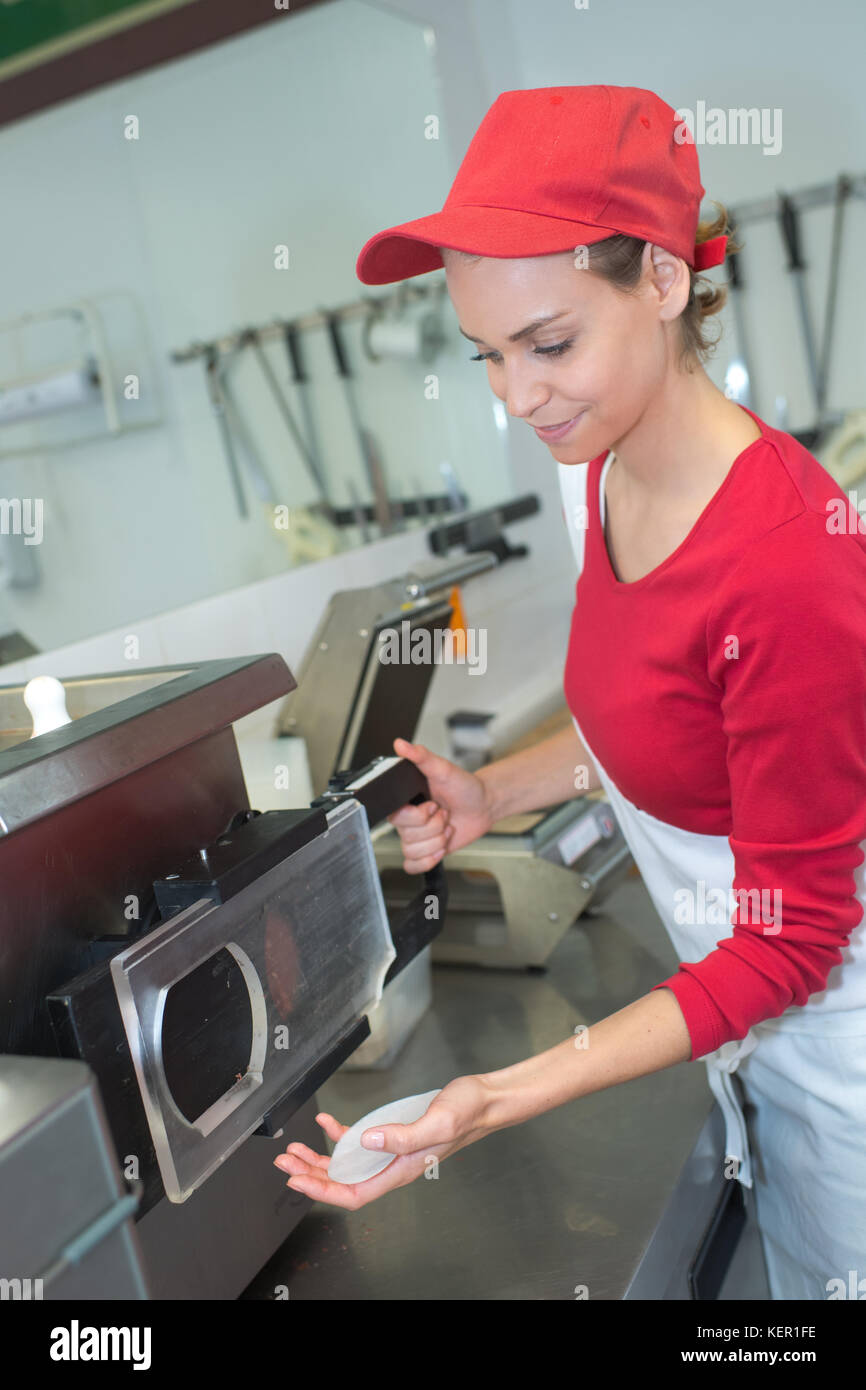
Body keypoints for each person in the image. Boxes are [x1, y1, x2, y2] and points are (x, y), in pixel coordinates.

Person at [274, 85, 866, 1300]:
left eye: (549, 343)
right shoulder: (597, 478)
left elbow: (792, 939)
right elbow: (663, 716)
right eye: (487, 353)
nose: (517, 395)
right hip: (761, 1053)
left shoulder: (785, 560)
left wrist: (493, 1095)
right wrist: (494, 787)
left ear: (658, 281)